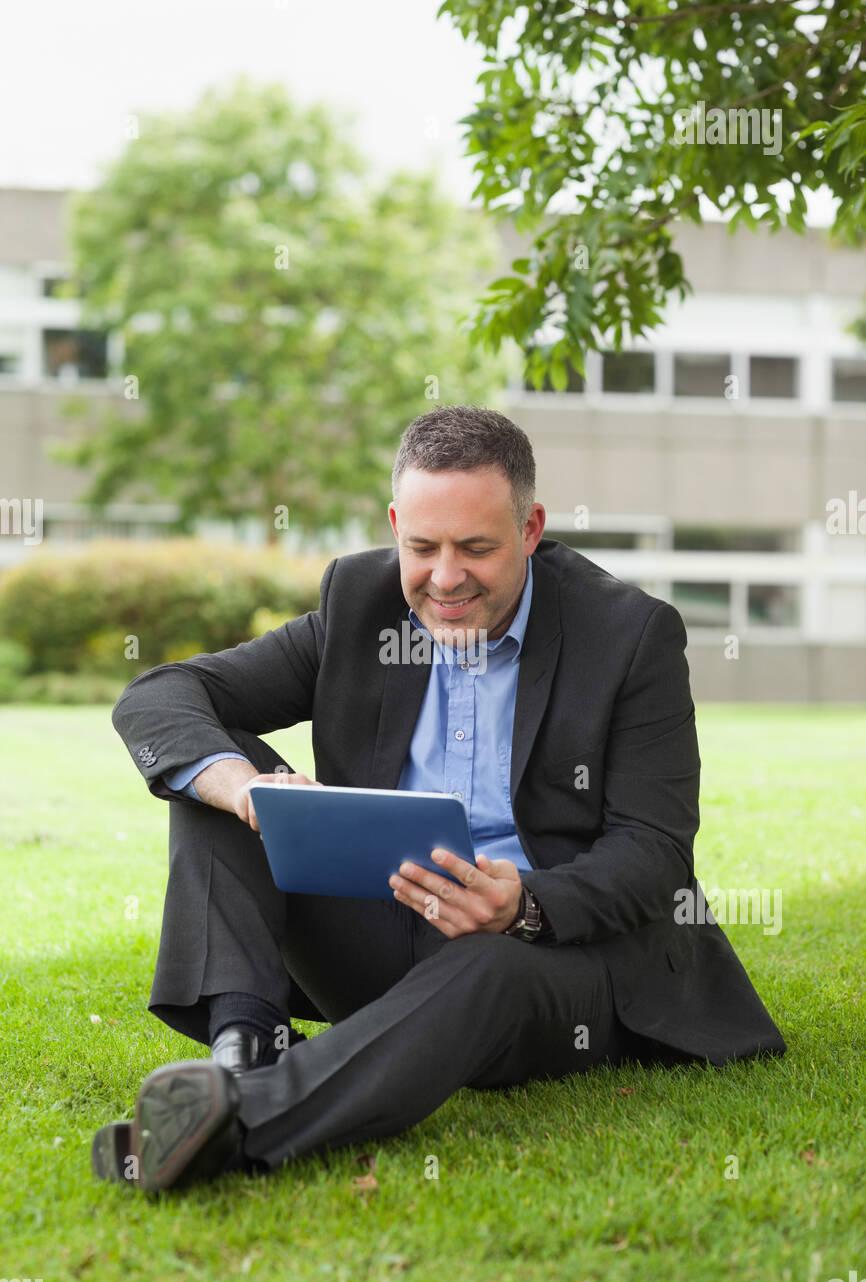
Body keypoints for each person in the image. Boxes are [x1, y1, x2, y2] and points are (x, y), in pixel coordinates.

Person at [92, 404, 785, 1192]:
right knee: (212, 782)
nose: (445, 577)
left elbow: (654, 853)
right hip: (386, 929)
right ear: (395, 525)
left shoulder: (629, 637)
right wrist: (244, 788)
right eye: (422, 547)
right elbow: (162, 696)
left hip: (548, 962)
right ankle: (241, 1053)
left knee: (487, 966)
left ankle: (232, 1125)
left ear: (530, 529)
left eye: (476, 548)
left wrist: (523, 902)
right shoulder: (362, 601)